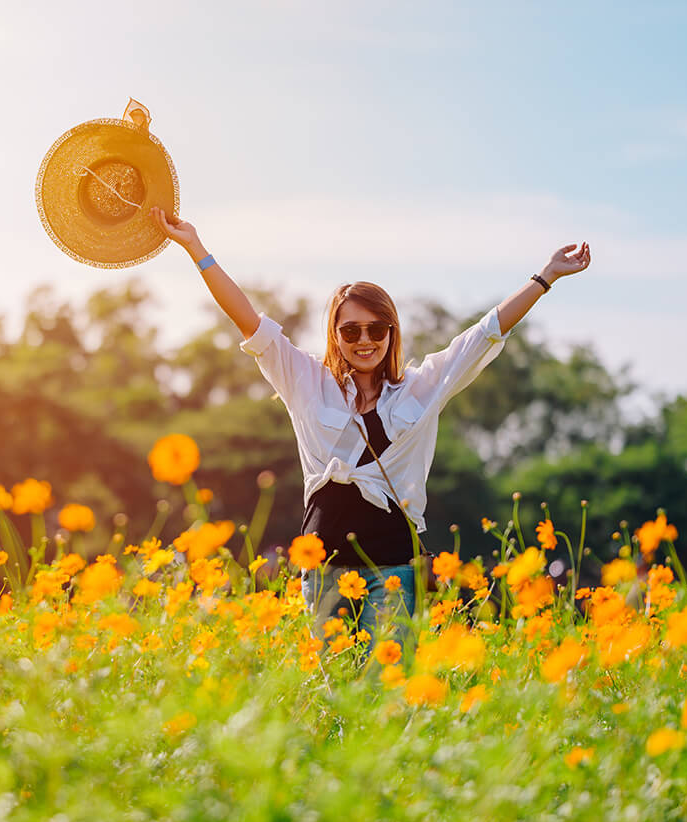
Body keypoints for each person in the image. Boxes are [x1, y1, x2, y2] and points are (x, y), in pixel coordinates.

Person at [151, 204, 592, 667]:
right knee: (336, 690)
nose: (365, 339)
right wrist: (195, 247)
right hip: (323, 568)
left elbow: (483, 335)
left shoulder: (421, 387)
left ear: (391, 332)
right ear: (335, 336)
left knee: (385, 691)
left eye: (377, 328)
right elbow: (249, 321)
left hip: (395, 568)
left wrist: (545, 278)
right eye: (351, 330)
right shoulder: (306, 382)